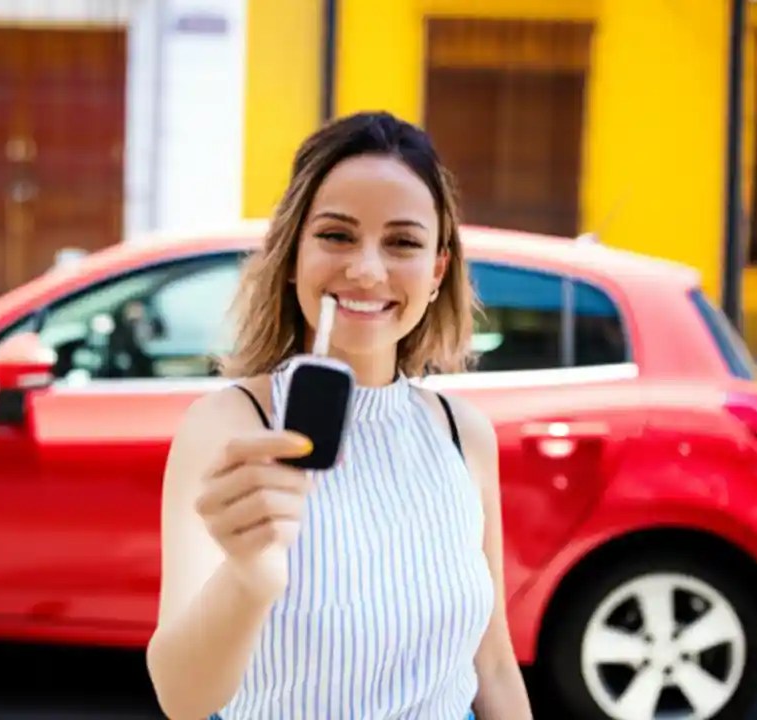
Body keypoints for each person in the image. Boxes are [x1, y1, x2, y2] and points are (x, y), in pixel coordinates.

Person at [145, 111, 534, 719]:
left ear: (437, 271)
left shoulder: (464, 435)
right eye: (336, 235)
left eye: (402, 242)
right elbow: (182, 698)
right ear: (294, 251)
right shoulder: (227, 427)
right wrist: (250, 576)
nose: (367, 269)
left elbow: (491, 667)